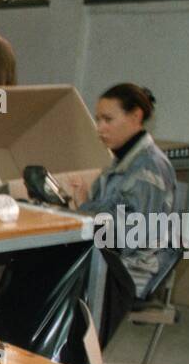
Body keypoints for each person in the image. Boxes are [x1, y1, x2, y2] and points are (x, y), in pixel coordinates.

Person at [72, 83, 178, 298]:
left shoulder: (148, 168)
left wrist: (82, 211)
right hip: (113, 258)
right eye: (98, 119)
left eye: (107, 119)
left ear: (135, 117)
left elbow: (129, 237)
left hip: (133, 270)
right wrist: (83, 205)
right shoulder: (124, 160)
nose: (99, 128)